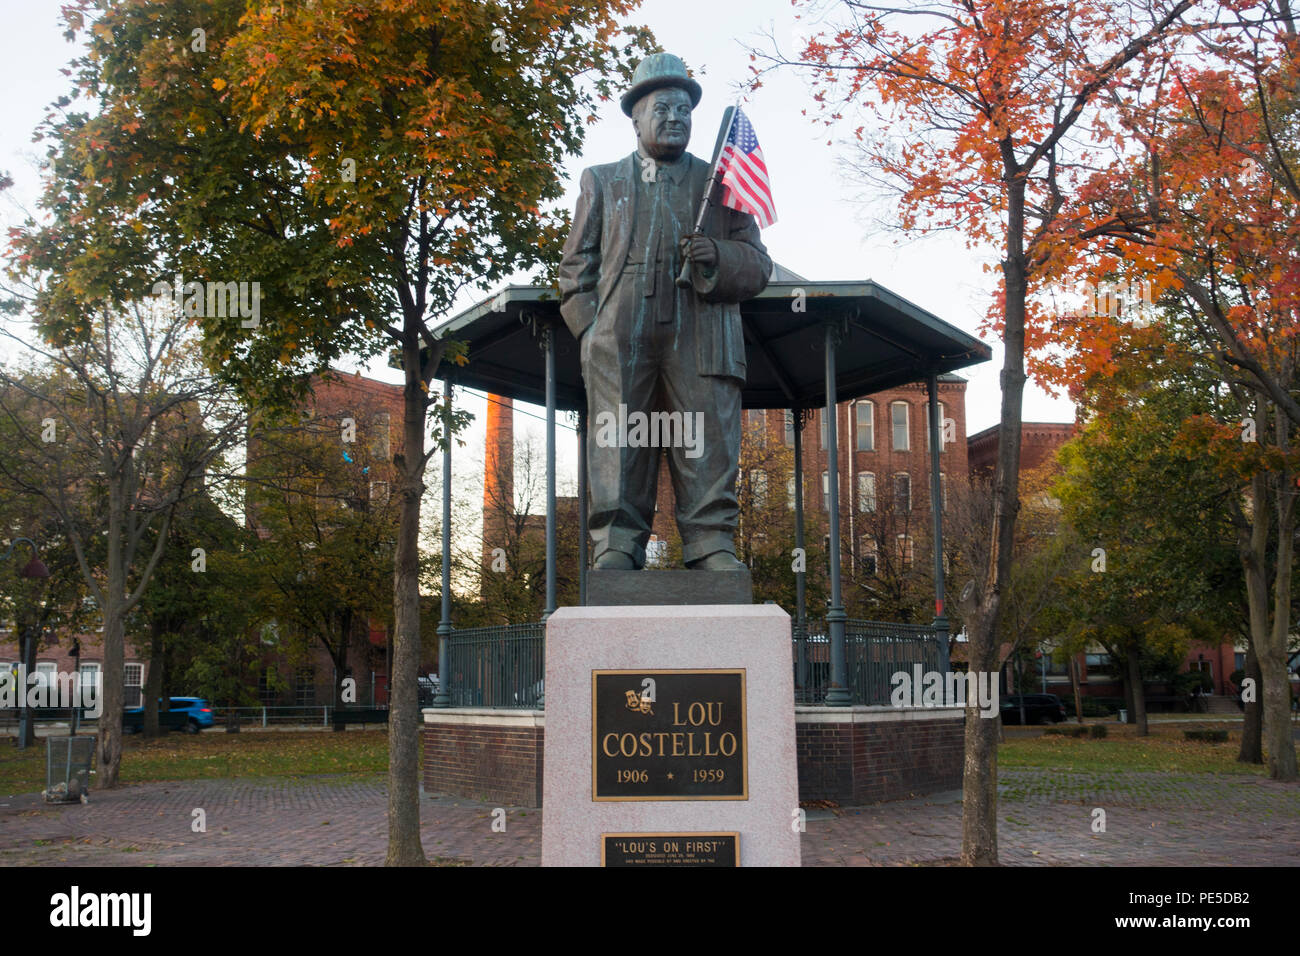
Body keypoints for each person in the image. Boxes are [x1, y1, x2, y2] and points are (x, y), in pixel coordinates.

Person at [558, 53, 772, 571]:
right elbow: (574, 269)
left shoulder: (720, 182)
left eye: (684, 109)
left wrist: (717, 256)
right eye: (662, 107)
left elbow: (759, 265)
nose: (675, 117)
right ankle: (617, 541)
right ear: (635, 116)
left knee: (706, 433)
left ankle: (710, 541)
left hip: (699, 325)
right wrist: (592, 332)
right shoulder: (601, 181)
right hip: (619, 330)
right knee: (617, 435)